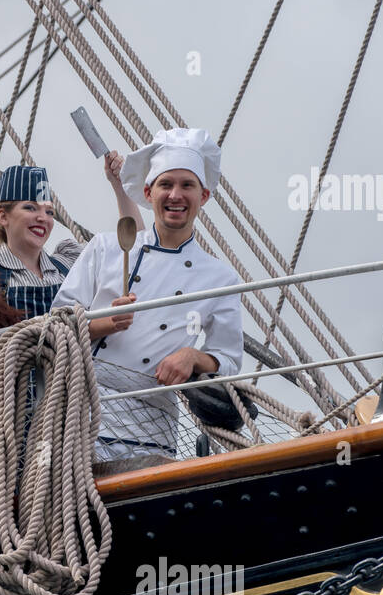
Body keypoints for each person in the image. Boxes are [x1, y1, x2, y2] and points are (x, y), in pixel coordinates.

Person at [53, 127, 243, 473]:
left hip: (154, 421)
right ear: (147, 192)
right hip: (83, 410)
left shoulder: (220, 278)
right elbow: (55, 325)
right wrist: (102, 324)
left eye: (187, 185)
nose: (176, 195)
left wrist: (192, 357)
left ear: (205, 196)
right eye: (166, 184)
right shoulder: (105, 249)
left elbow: (228, 360)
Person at [0, 84, 142, 317]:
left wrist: (120, 188)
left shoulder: (69, 263)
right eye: (31, 208)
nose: (43, 218)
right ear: (3, 216)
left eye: (49, 212)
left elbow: (136, 249)